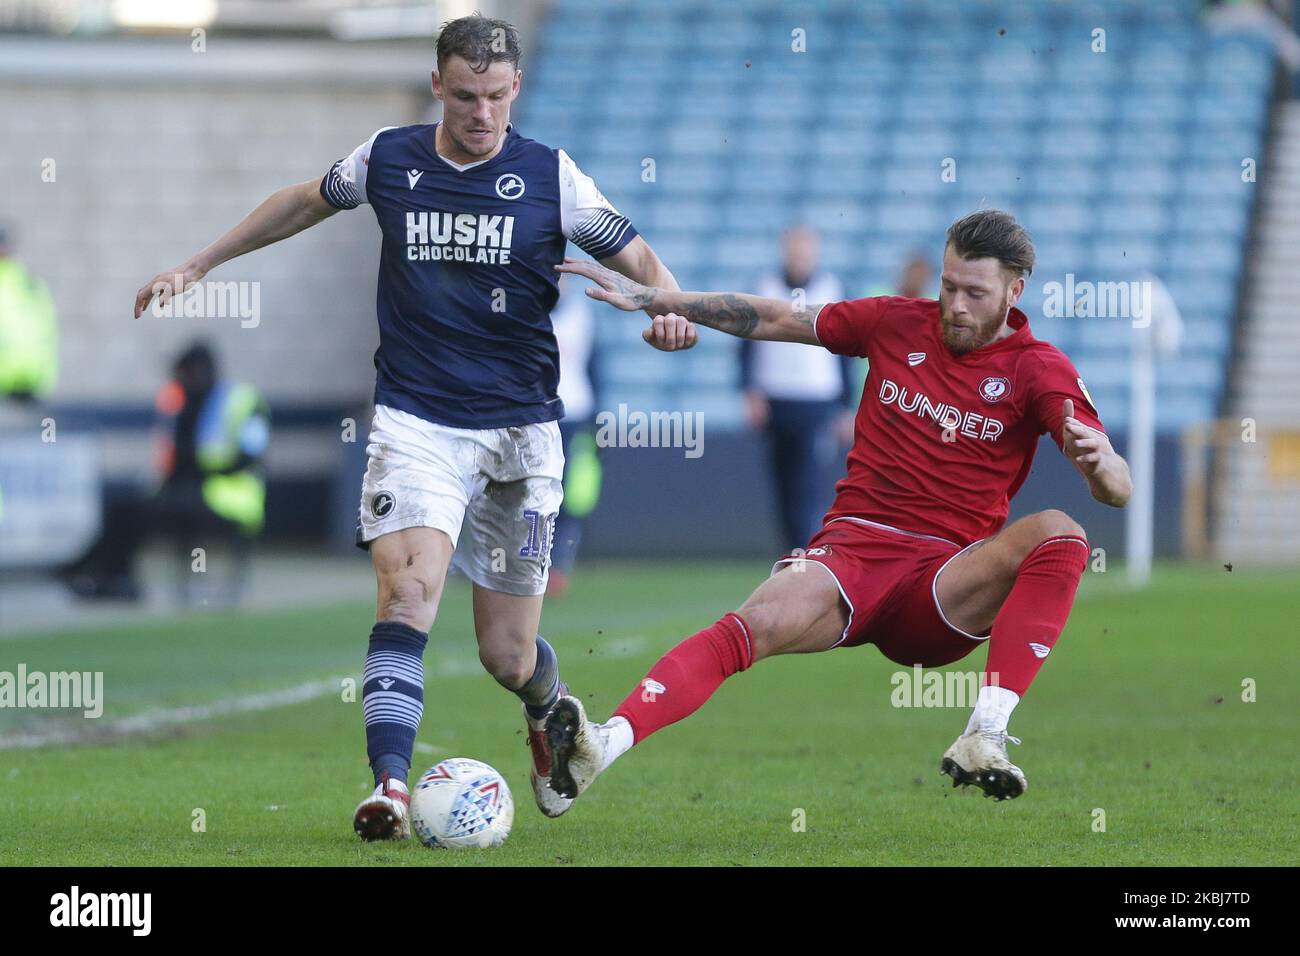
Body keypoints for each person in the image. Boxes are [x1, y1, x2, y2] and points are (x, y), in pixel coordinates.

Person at [133, 14, 696, 840]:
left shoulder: (551, 177)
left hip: (523, 435)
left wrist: (670, 309)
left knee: (507, 655)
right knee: (408, 597)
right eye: (466, 96)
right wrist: (201, 263)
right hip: (415, 421)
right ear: (439, 85)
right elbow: (300, 202)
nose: (482, 114)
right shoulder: (389, 158)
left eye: (498, 97)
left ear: (515, 91)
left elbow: (641, 260)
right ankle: (390, 791)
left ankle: (548, 710)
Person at [547, 209, 1132, 805]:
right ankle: (603, 743)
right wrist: (658, 297)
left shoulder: (1039, 369)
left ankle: (985, 732)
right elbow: (773, 316)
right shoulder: (893, 321)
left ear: (1015, 291)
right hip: (850, 553)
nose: (955, 305)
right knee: (755, 624)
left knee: (1061, 532)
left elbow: (1117, 486)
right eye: (948, 285)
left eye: (974, 294)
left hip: (944, 583)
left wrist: (1103, 467)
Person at [62, 342, 270, 602]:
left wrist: (205, 472)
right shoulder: (185, 404)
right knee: (125, 508)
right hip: (189, 492)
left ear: (197, 371)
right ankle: (109, 576)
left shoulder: (242, 402)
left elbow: (252, 457)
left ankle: (86, 571)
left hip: (229, 500)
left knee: (143, 511)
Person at [740, 226, 853, 551]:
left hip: (817, 401)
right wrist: (750, 390)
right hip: (776, 398)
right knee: (783, 486)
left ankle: (807, 554)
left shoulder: (833, 288)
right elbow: (746, 345)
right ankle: (792, 553)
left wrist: (846, 406)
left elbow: (847, 353)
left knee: (808, 485)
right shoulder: (764, 286)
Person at [547, 275, 602, 597]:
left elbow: (595, 365)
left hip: (573, 414)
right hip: (533, 415)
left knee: (569, 495)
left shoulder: (581, 315)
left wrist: (598, 419)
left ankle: (558, 565)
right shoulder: (523, 311)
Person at [0, 223, 58, 402]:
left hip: (31, 388)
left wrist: (45, 379)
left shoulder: (30, 284)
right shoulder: (28, 284)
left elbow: (48, 334)